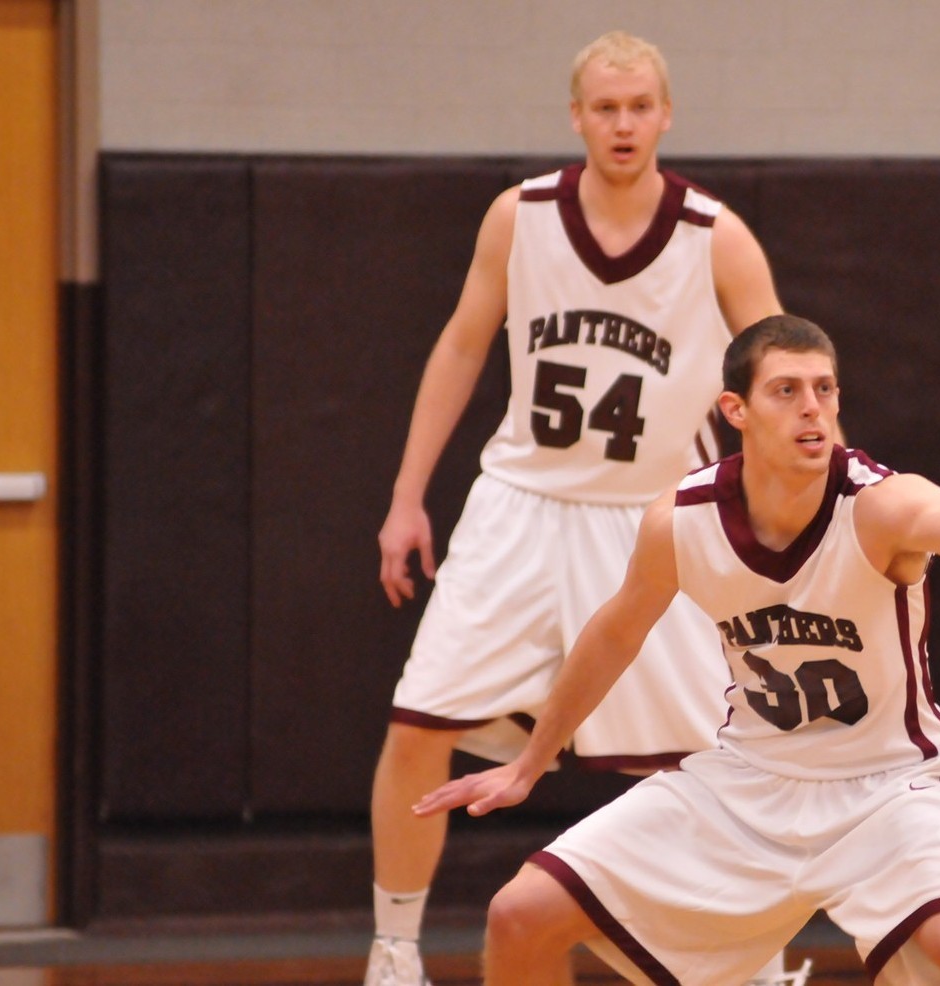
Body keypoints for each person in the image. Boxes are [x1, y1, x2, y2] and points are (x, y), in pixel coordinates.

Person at [410, 315, 940, 986]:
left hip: (886, 787)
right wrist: (532, 761)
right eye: (786, 390)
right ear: (736, 410)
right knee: (519, 914)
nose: (812, 407)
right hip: (750, 781)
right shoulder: (683, 520)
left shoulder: (879, 506)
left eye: (824, 389)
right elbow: (616, 631)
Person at [364, 30, 792, 986]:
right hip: (520, 503)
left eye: (640, 106)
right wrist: (406, 497)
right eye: (606, 107)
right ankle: (394, 952)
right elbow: (462, 347)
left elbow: (783, 374)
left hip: (650, 515)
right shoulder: (519, 217)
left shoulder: (714, 235)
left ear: (667, 114)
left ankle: (744, 960)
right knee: (417, 724)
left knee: (688, 766)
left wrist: (791, 507)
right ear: (576, 117)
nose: (624, 123)